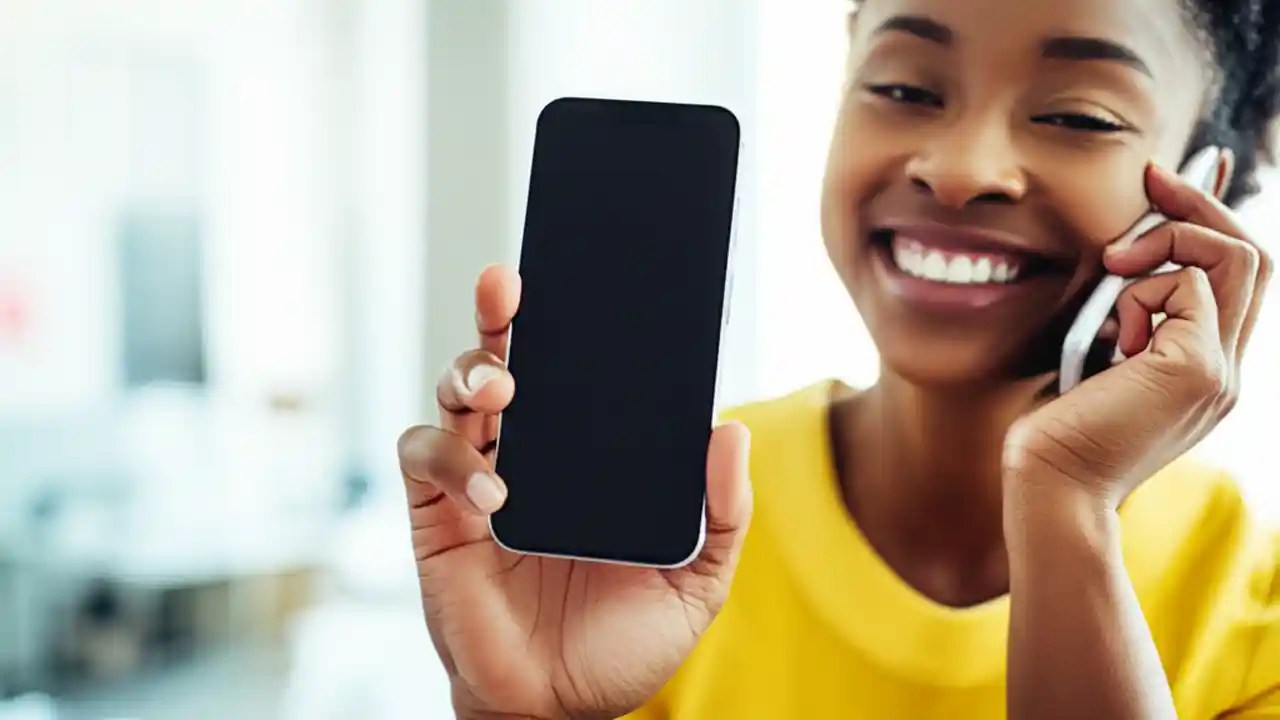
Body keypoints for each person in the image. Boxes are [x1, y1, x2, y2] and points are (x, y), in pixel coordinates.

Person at [396, 0, 1279, 717]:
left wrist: (1068, 504)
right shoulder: (666, 527)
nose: (960, 169)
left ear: (1202, 186)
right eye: (902, 88)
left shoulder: (1251, 613)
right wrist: (520, 712)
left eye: (1078, 115)